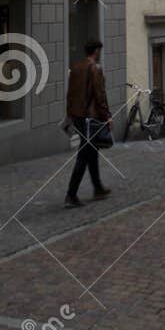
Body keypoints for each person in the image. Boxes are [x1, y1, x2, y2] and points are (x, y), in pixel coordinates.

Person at [65, 40, 112, 207]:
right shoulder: (95, 68)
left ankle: (98, 188)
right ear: (97, 51)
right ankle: (71, 195)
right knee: (84, 155)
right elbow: (100, 95)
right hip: (90, 118)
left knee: (92, 152)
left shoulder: (76, 67)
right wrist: (107, 116)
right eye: (100, 50)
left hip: (78, 116)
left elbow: (70, 94)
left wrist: (70, 114)